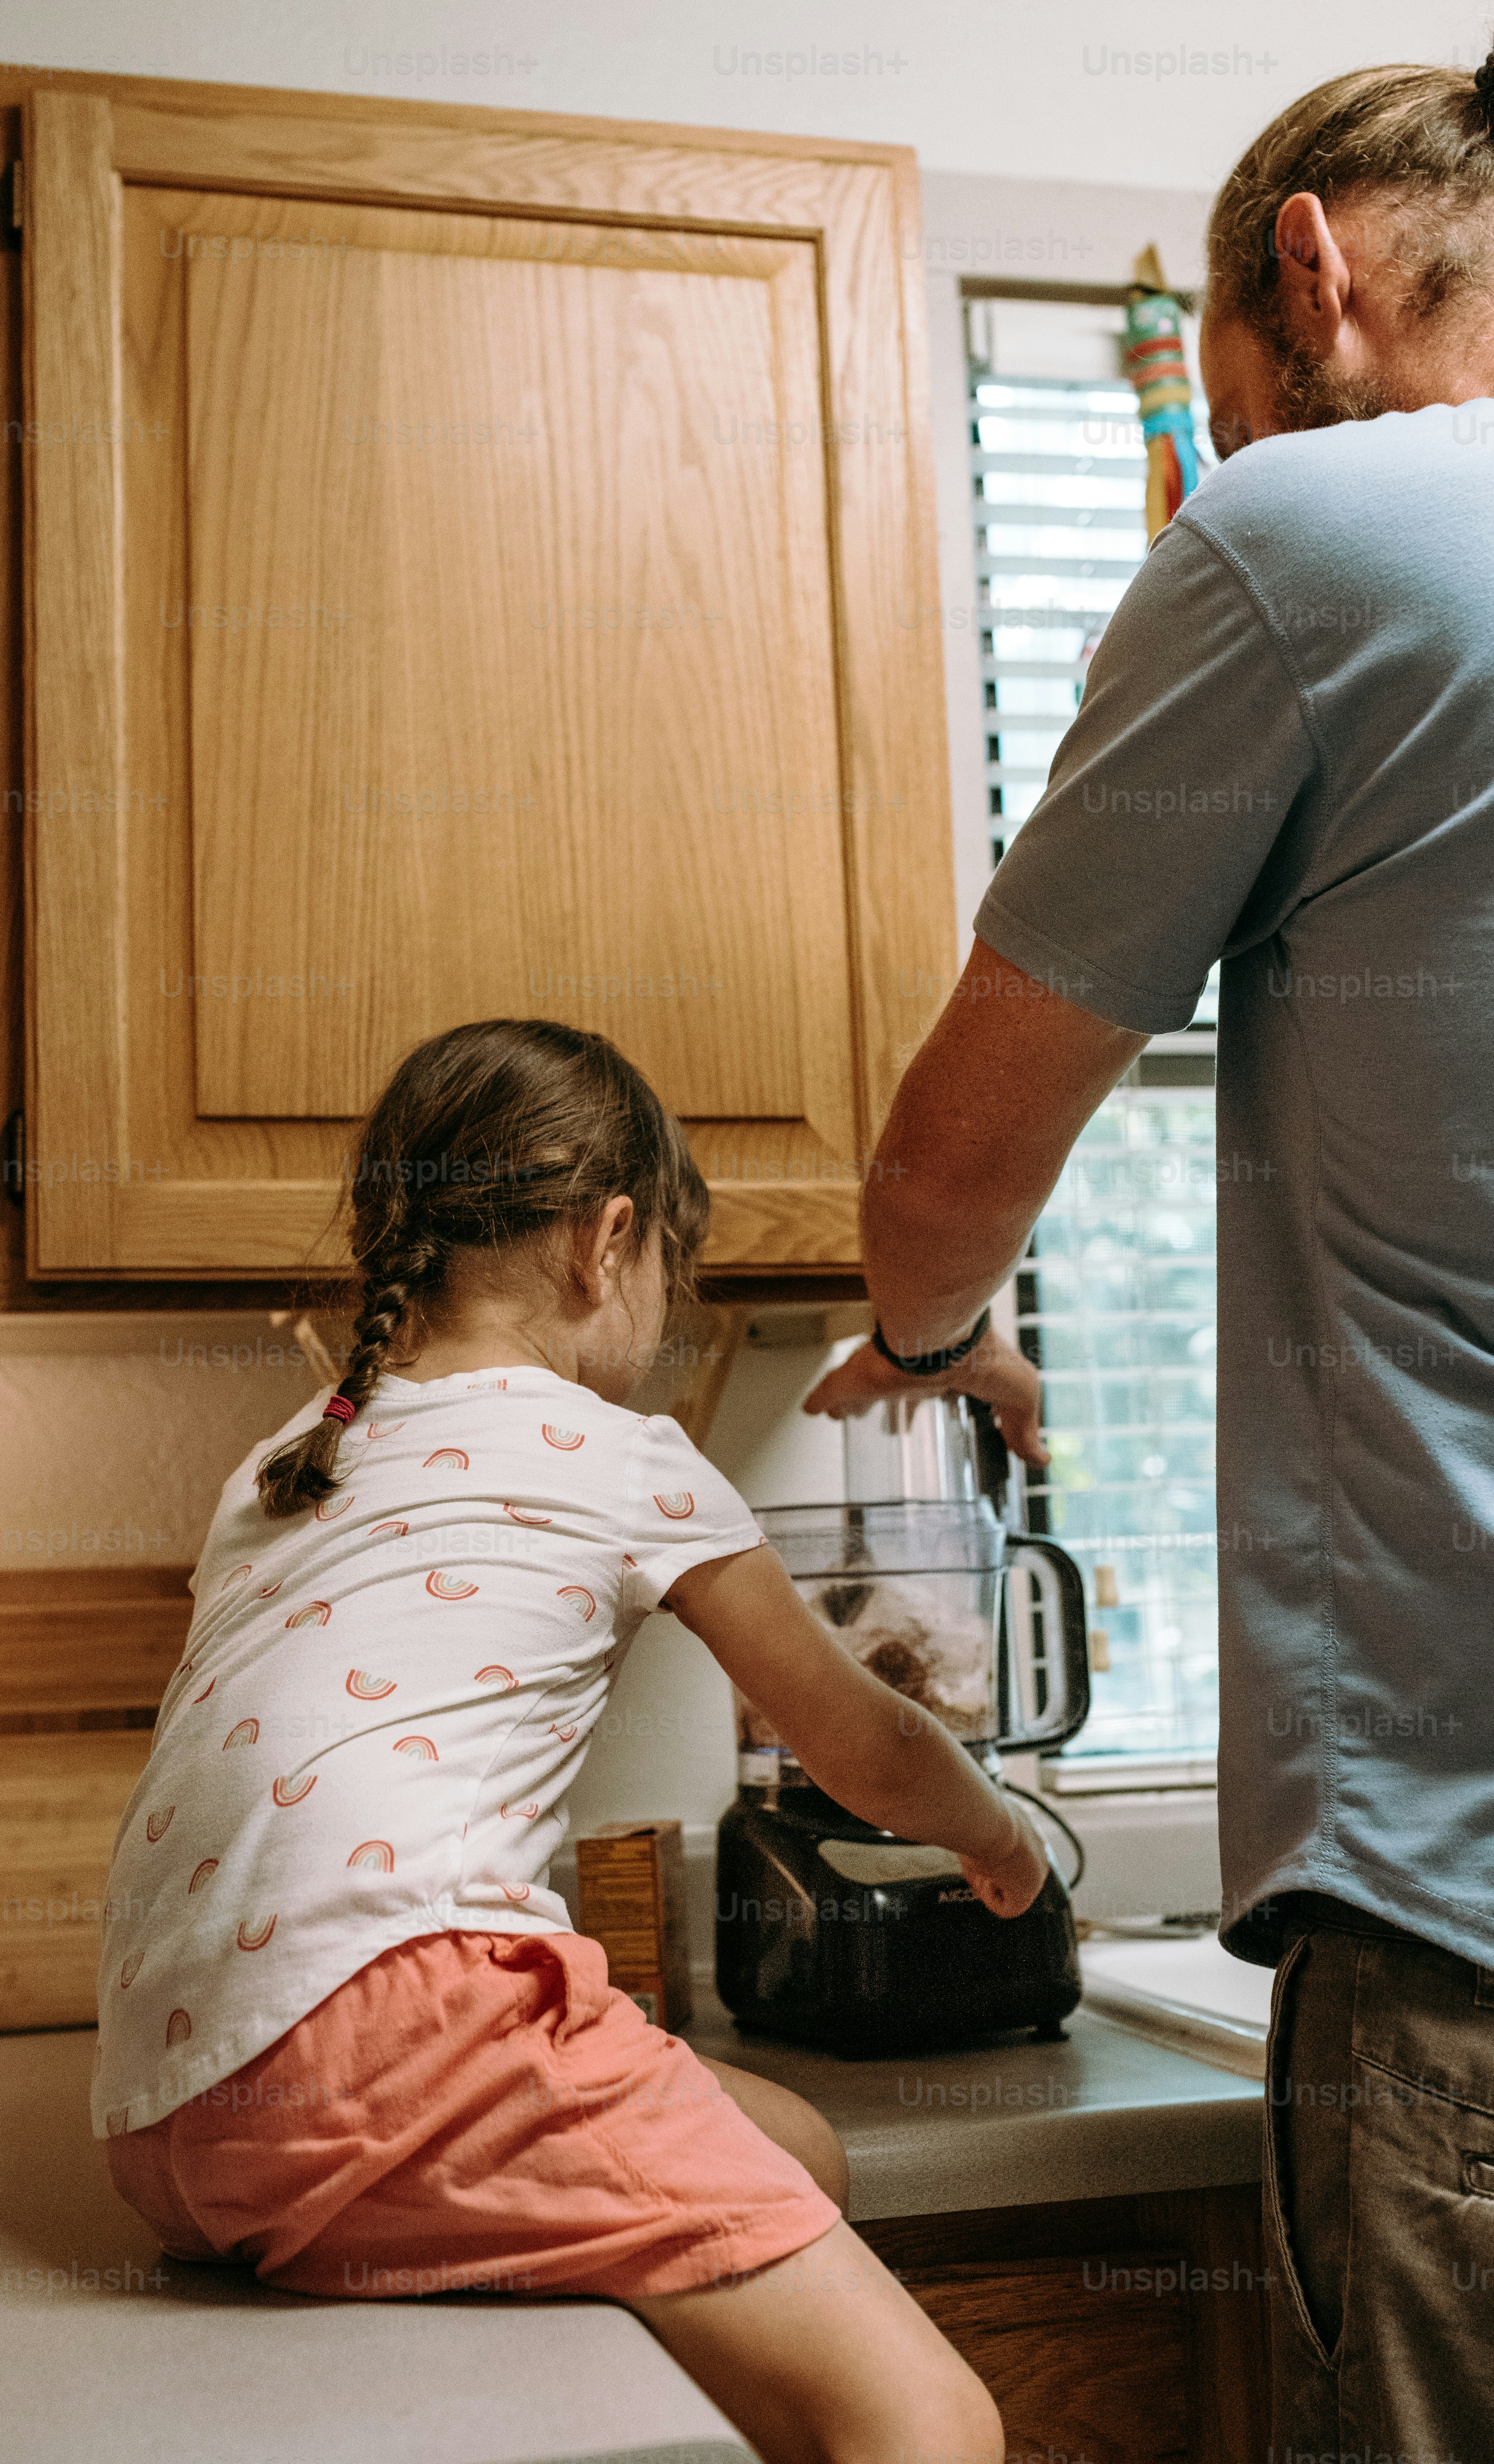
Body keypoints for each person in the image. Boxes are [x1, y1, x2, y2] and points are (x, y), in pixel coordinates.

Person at [806, 52, 1494, 2460]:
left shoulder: (1310, 530)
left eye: (1222, 387)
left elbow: (948, 1167)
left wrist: (934, 1335)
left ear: (1311, 264)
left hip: (1460, 1911)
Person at [95, 1017, 1035, 2464]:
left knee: (802, 2155)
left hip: (176, 2126)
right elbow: (867, 1745)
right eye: (671, 1267)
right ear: (607, 1241)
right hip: (411, 2037)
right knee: (933, 2422)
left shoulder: (282, 1468)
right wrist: (998, 1830)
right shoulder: (625, 1453)